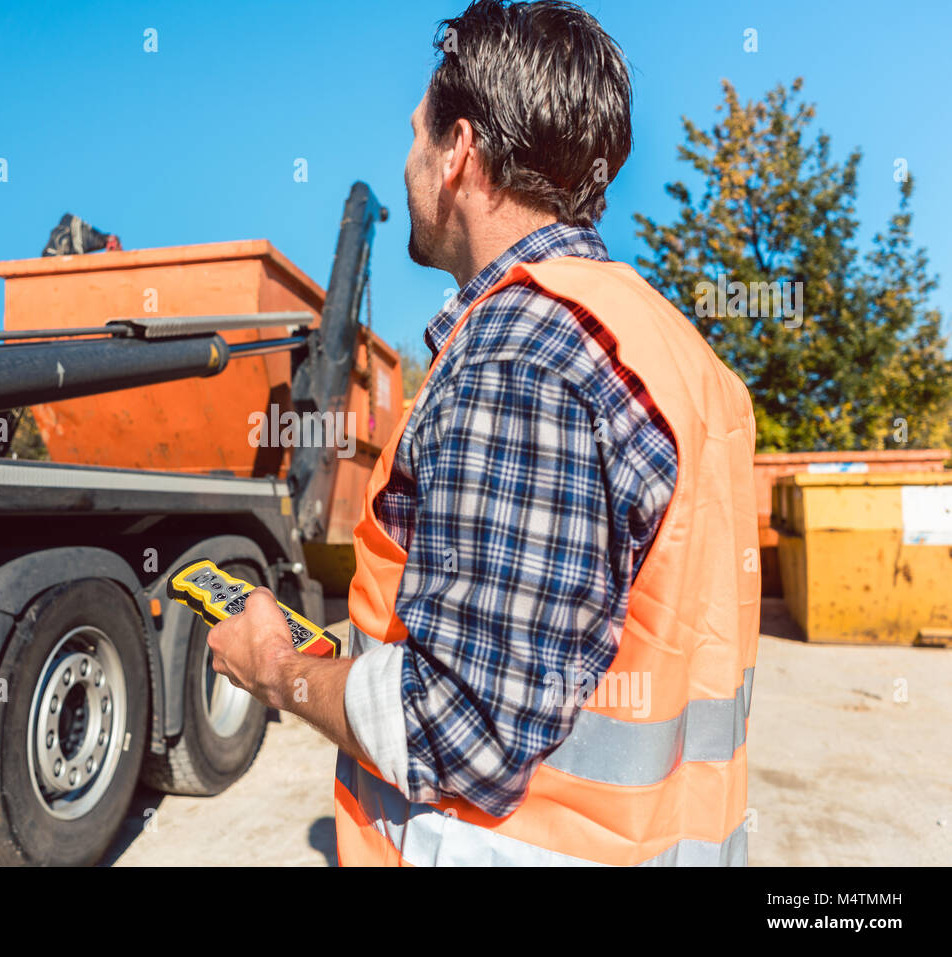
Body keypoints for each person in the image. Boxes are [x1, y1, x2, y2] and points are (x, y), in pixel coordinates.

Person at [207, 0, 759, 866]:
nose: (408, 159)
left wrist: (278, 666)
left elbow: (456, 728)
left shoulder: (520, 355)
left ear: (459, 151)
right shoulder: (678, 351)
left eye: (416, 134)